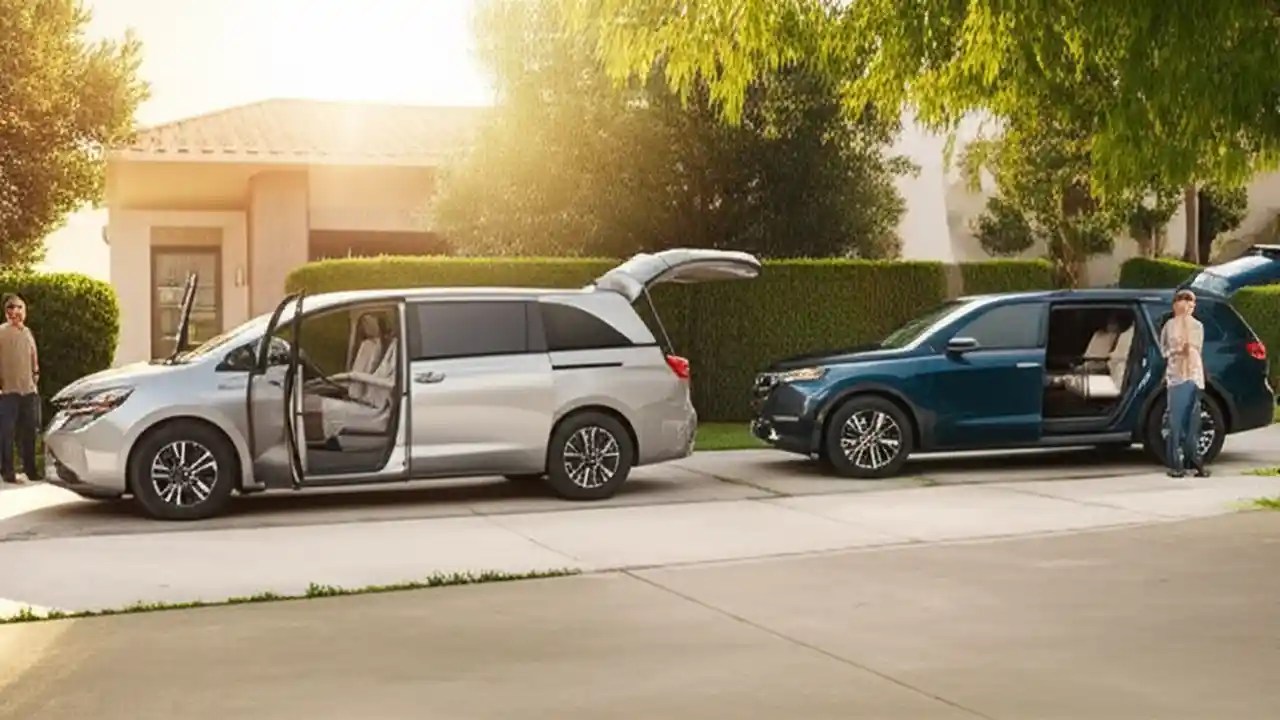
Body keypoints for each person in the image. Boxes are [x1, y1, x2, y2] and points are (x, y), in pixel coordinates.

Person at [1160, 289, 1209, 478]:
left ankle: (1195, 461)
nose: (1187, 306)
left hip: (1193, 376)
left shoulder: (1197, 326)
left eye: (1191, 302)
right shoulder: (1170, 326)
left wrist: (1188, 349)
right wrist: (1176, 351)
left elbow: (1197, 348)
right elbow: (1164, 349)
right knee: (1175, 422)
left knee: (1193, 421)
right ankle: (1177, 463)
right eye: (1183, 301)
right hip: (1176, 377)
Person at [0, 293, 41, 485]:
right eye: (11, 308)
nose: (15, 311)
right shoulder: (1, 332)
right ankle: (7, 472)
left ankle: (31, 470)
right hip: (8, 391)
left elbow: (33, 355)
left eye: (19, 308)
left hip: (29, 391)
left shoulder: (27, 332)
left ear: (24, 311)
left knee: (29, 432)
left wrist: (36, 374)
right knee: (6, 433)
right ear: (6, 312)